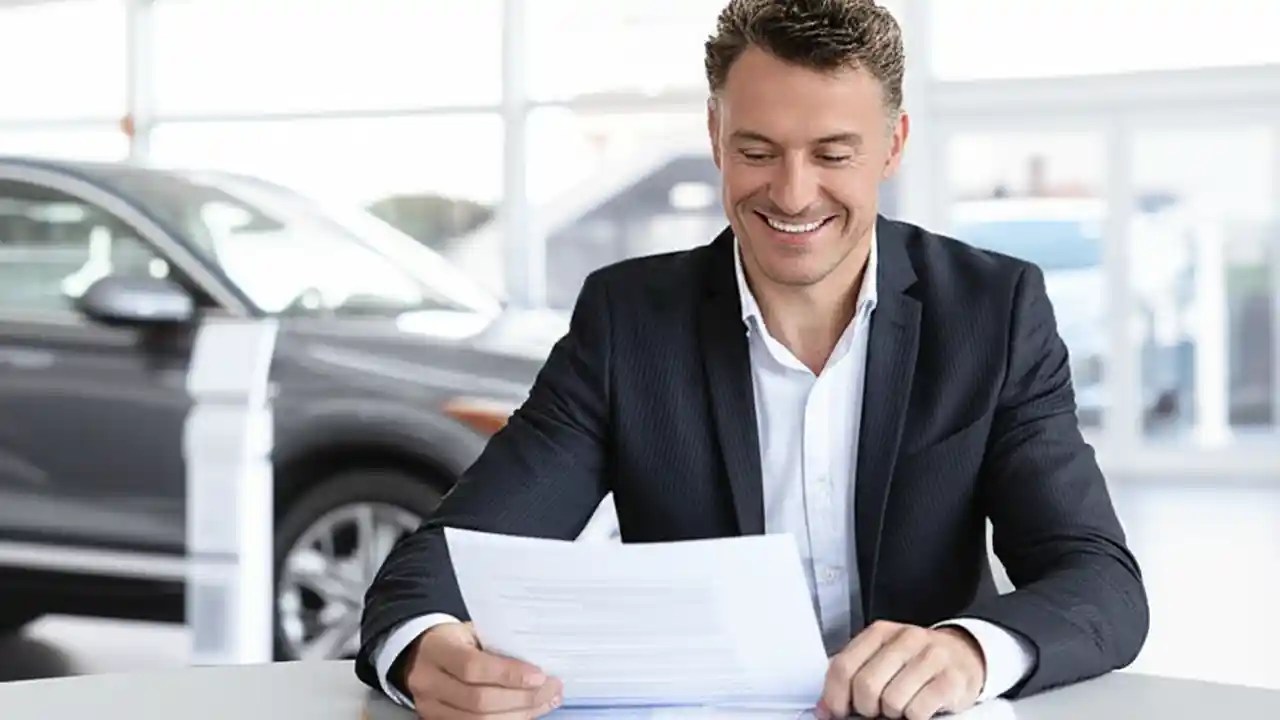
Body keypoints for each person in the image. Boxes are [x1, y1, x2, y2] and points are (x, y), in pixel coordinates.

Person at [356, 1, 1149, 718]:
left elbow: (1098, 581)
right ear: (714, 137)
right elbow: (445, 558)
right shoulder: (629, 322)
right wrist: (426, 648)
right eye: (758, 150)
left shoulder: (991, 313)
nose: (794, 194)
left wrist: (969, 651)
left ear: (893, 145)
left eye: (833, 154)